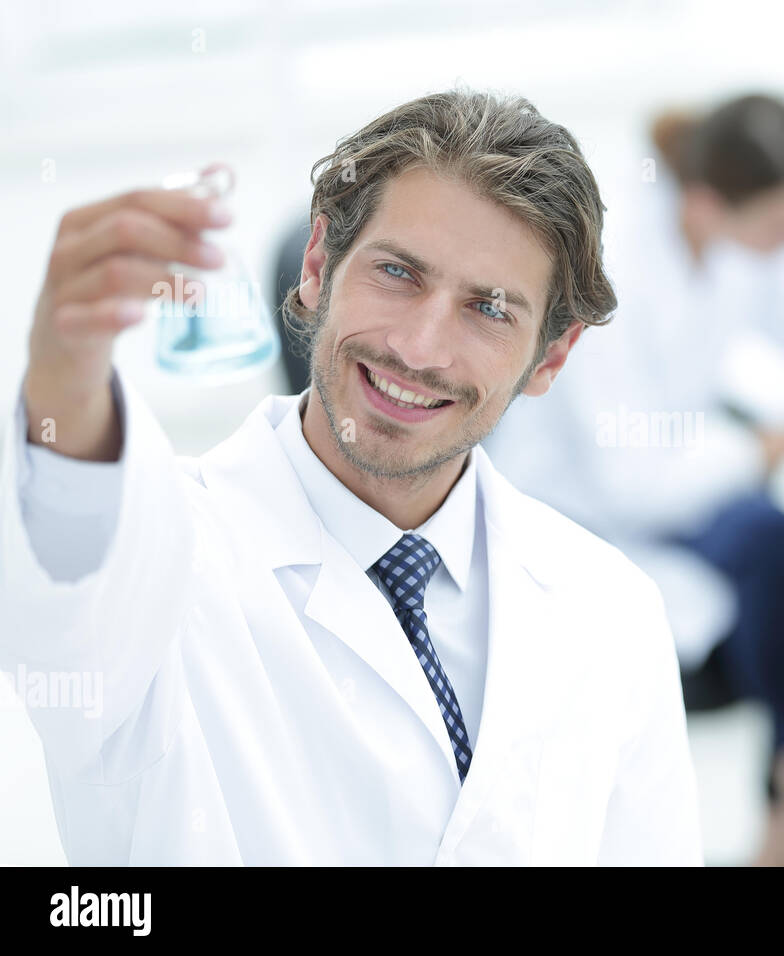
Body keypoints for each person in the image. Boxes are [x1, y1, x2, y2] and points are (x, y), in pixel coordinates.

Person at [0, 90, 702, 865]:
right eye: (398, 272)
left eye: (489, 309)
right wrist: (67, 371)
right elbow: (66, 552)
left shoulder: (613, 609)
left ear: (554, 355)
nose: (422, 347)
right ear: (316, 265)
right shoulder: (158, 573)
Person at [485, 94, 784, 866]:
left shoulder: (725, 243)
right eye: (781, 224)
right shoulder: (609, 269)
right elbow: (633, 479)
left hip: (671, 512)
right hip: (580, 520)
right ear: (705, 203)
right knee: (778, 544)